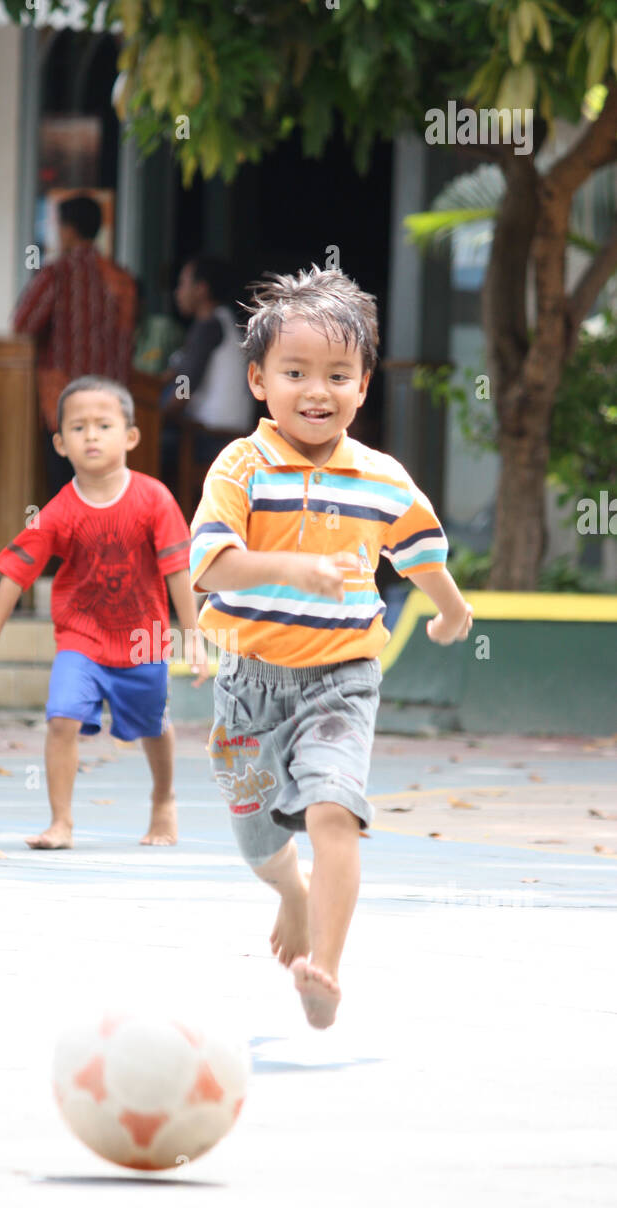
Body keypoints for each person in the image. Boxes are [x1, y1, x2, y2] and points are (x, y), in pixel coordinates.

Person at [190, 267, 473, 1029]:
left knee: (334, 808)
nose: (317, 391)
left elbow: (422, 556)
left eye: (338, 376)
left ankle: (326, 967)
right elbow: (210, 566)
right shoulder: (240, 468)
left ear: (363, 386)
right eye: (295, 373)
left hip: (342, 680)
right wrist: (291, 568)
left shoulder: (382, 479)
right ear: (258, 380)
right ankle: (292, 892)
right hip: (248, 686)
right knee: (257, 838)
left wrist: (452, 612)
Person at [0, 375, 209, 849]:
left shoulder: (155, 499)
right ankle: (61, 822)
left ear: (131, 436)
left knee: (153, 725)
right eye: (78, 428)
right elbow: (15, 574)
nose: (91, 436)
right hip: (81, 638)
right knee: (62, 719)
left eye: (104, 425)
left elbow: (178, 570)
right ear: (60, 443)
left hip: (144, 640)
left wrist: (192, 636)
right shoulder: (59, 510)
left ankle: (163, 799)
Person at [13, 195, 137, 496]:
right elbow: (127, 337)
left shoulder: (57, 273)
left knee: (64, 485)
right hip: (110, 398)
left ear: (67, 230)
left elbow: (23, 325)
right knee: (104, 485)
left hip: (63, 395)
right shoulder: (121, 280)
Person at [160, 256, 255, 495]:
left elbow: (183, 391)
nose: (178, 292)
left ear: (201, 289)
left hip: (212, 439)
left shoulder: (208, 326)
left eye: (183, 284)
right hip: (231, 436)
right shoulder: (225, 322)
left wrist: (156, 417)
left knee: (148, 441)